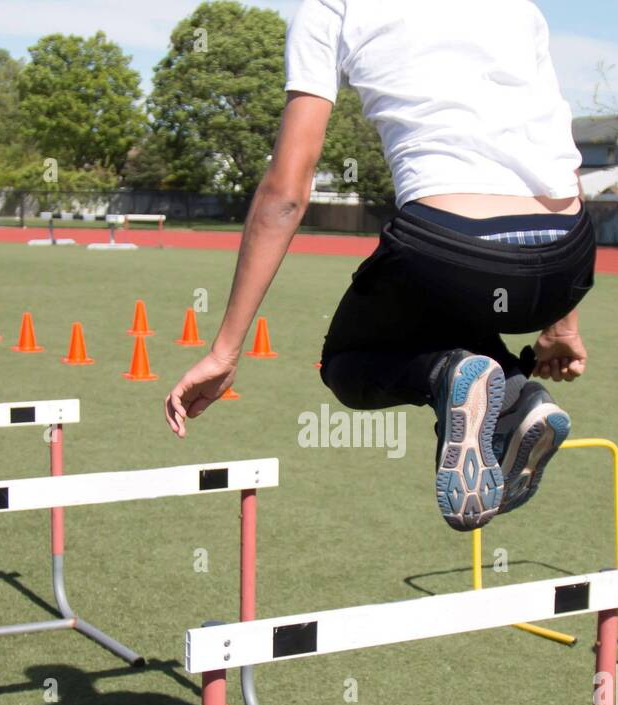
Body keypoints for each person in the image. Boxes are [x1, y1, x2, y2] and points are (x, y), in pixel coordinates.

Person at [164, 0, 594, 530]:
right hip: (566, 254)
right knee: (453, 305)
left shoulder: (330, 6)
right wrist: (562, 321)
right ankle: (517, 393)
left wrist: (224, 349)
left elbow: (286, 191)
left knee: (348, 360)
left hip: (452, 248)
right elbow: (559, 153)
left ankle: (453, 375)